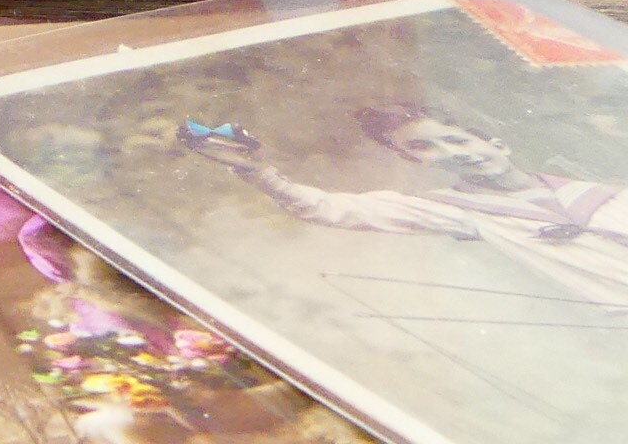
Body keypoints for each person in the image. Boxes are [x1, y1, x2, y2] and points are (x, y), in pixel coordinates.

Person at [186, 102, 628, 306]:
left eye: (458, 139)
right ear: (410, 160)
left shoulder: (605, 192)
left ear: (495, 142)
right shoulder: (457, 209)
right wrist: (254, 169)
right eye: (426, 148)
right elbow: (327, 207)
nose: (457, 153)